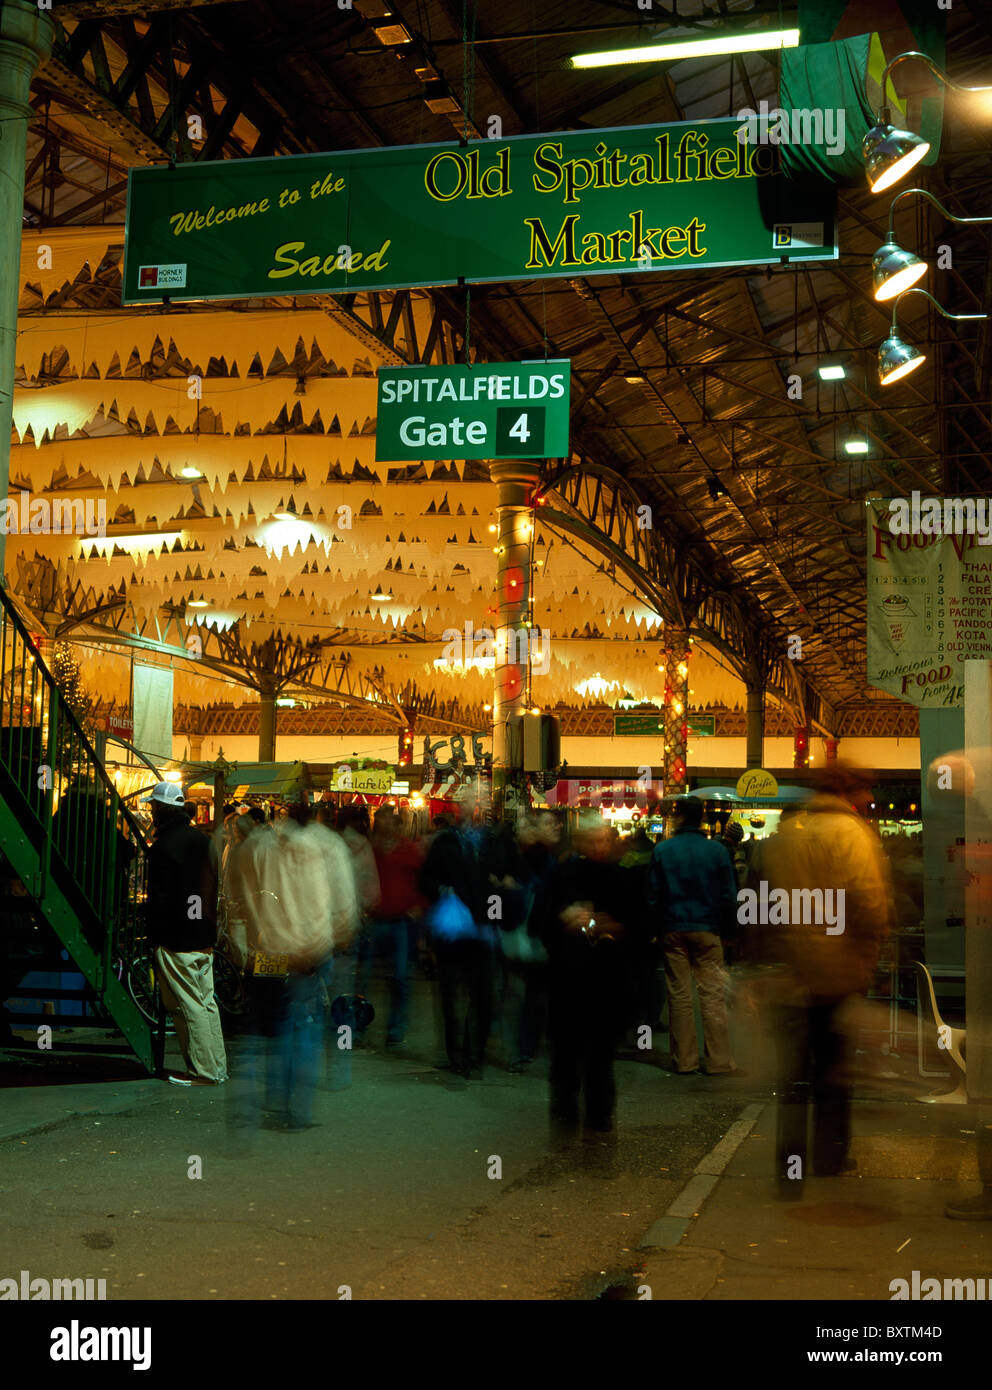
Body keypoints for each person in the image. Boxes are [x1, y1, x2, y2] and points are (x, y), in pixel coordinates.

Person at [756, 764, 892, 1190]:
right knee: (833, 1071)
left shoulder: (789, 834)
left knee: (793, 1076)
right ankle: (829, 1159)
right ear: (848, 790)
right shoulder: (851, 834)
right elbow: (869, 902)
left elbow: (763, 902)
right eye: (866, 791)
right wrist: (873, 956)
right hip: (835, 972)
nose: (870, 800)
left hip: (789, 972)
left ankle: (789, 1170)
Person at [226, 797, 358, 1132]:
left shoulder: (258, 845)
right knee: (304, 1025)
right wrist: (340, 932)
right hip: (307, 951)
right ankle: (296, 1107)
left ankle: (273, 1098)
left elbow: (238, 890)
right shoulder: (326, 846)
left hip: (268, 950)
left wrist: (247, 934)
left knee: (272, 1024)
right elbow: (343, 900)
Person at [539, 810, 632, 1147]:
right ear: (581, 842)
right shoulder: (563, 876)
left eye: (604, 840)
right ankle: (566, 1120)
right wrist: (564, 919)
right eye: (593, 840)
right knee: (566, 1055)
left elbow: (640, 925)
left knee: (600, 1056)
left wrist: (614, 928)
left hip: (606, 982)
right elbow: (540, 921)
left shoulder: (622, 879)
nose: (599, 846)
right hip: (568, 980)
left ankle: (598, 1118)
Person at [649, 796, 738, 1077]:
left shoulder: (663, 850)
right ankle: (718, 1061)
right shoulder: (717, 852)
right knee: (712, 995)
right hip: (707, 929)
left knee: (679, 995)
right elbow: (730, 897)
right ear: (702, 818)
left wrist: (655, 929)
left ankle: (685, 1060)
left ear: (679, 818)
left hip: (673, 929)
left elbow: (653, 895)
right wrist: (730, 931)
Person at [144, 781, 226, 1087]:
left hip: (177, 937)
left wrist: (155, 931)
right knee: (206, 1002)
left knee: (188, 1006)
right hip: (202, 933)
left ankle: (203, 1072)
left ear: (163, 809)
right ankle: (216, 1067)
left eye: (153, 806)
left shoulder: (164, 847)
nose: (151, 811)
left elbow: (162, 898)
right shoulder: (202, 842)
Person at [419, 804, 494, 1080]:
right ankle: (458, 1057)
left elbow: (508, 880)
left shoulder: (493, 842)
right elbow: (425, 880)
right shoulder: (446, 843)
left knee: (482, 997)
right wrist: (441, 890)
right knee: (451, 997)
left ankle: (475, 1055)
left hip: (482, 930)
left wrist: (496, 910)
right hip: (452, 931)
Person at [355, 804, 425, 1048]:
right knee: (363, 979)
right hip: (374, 919)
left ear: (396, 824)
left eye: (388, 820)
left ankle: (395, 1029)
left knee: (400, 978)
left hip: (400, 921)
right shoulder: (369, 850)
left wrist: (417, 906)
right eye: (379, 820)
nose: (383, 824)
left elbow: (421, 881)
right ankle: (357, 1027)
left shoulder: (408, 849)